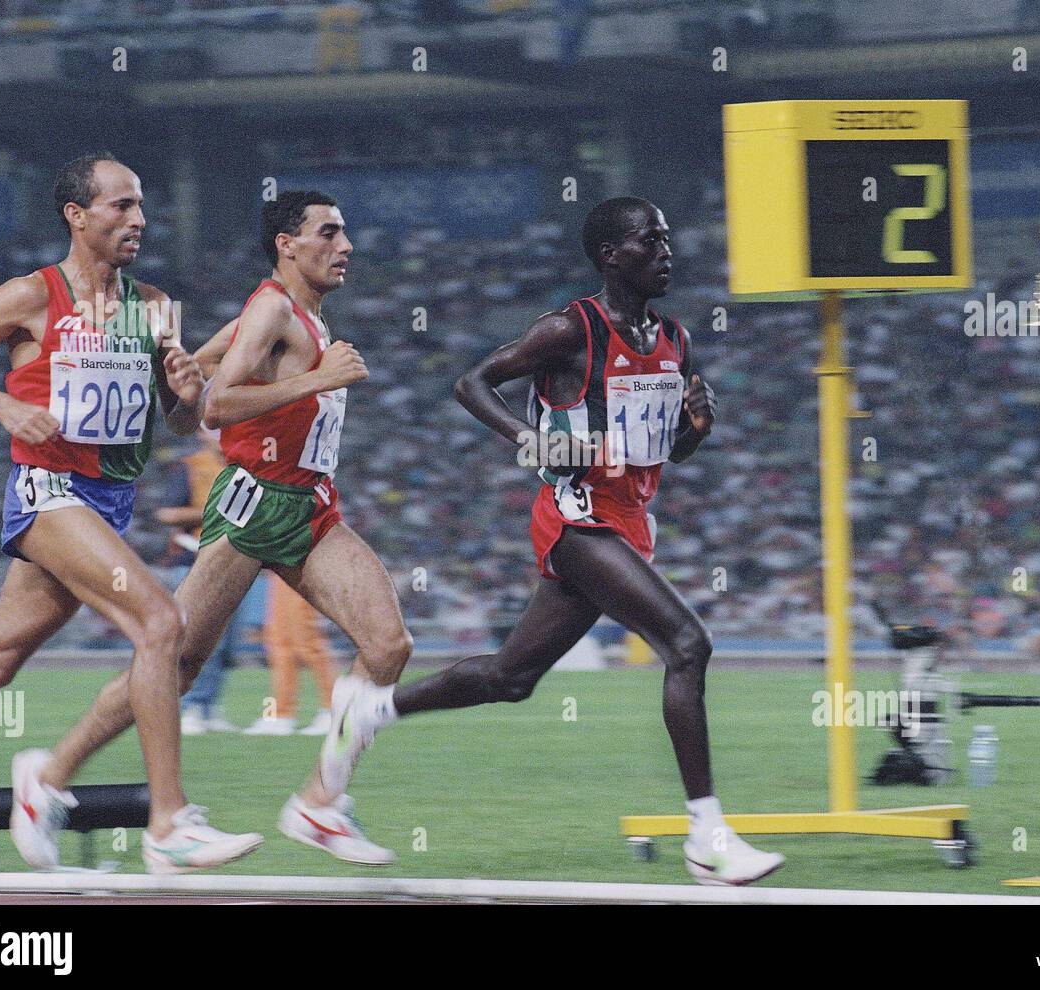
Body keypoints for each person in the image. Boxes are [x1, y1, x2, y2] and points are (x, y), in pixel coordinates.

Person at [327, 197, 786, 886]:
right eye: (649, 241)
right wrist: (530, 439)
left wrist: (696, 428)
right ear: (611, 256)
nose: (666, 252)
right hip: (577, 518)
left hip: (627, 523)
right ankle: (707, 836)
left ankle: (370, 709)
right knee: (689, 644)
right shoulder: (571, 328)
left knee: (512, 678)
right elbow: (471, 382)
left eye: (666, 239)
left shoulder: (675, 340)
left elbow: (664, 452)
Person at [26, 190, 413, 866]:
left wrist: (180, 380)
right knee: (173, 666)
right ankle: (48, 777)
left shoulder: (289, 315)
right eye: (330, 232)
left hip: (311, 505)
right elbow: (222, 409)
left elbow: (197, 390)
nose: (346, 246)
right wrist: (314, 379)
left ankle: (320, 802)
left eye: (346, 233)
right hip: (254, 502)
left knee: (387, 644)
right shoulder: (272, 307)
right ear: (287, 244)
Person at [0, 152, 262, 872]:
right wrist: (3, 403)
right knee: (161, 624)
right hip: (46, 492)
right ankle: (169, 822)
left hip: (104, 505)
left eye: (141, 206)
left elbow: (176, 423)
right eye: (121, 206)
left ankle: (40, 787)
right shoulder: (31, 296)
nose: (138, 219)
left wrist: (185, 389)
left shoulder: (158, 307)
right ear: (77, 215)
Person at [156, 424, 244, 735]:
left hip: (236, 559)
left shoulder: (245, 466)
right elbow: (166, 513)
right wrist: (212, 512)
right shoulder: (191, 466)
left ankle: (209, 706)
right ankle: (190, 707)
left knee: (228, 643)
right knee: (195, 637)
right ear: (203, 436)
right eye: (215, 431)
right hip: (193, 557)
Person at [243, 573, 338, 736]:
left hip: (300, 565)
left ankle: (334, 710)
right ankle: (279, 715)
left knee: (307, 641)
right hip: (278, 569)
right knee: (278, 643)